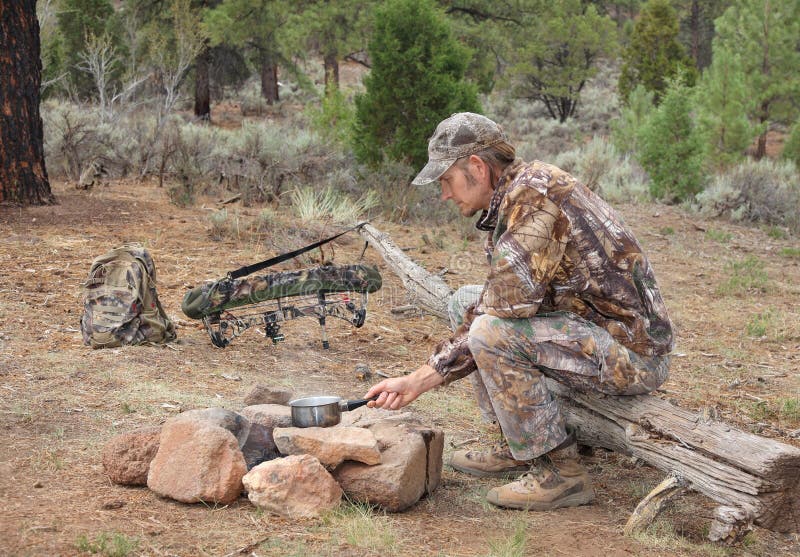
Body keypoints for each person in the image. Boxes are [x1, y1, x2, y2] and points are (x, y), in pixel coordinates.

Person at [366, 112, 674, 511]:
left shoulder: (534, 200)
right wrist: (425, 373)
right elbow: (498, 298)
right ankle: (515, 444)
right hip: (591, 330)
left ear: (476, 167)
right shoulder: (517, 194)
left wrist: (421, 379)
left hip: (633, 356)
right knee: (466, 301)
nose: (444, 194)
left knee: (489, 332)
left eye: (446, 180)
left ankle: (560, 474)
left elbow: (503, 314)